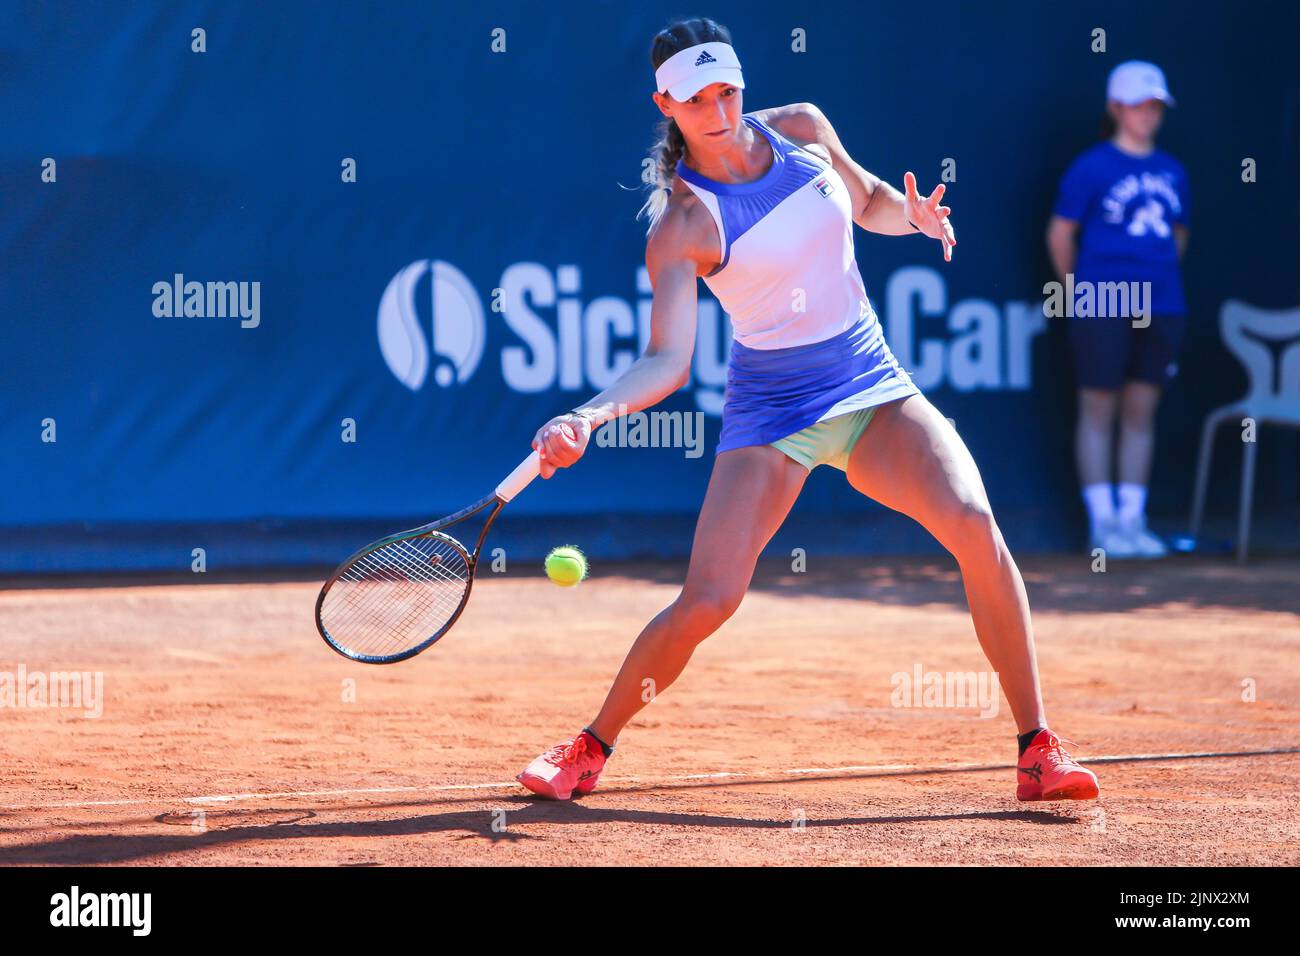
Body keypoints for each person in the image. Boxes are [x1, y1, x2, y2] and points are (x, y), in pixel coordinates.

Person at [517, 17, 1099, 804]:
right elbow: (666, 361)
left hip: (871, 385)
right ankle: (590, 746)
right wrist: (588, 416)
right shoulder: (683, 226)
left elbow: (869, 203)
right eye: (698, 100)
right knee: (710, 599)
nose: (719, 111)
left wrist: (914, 216)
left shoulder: (803, 129)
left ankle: (1037, 749)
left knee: (973, 524)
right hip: (771, 412)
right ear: (666, 102)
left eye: (728, 91)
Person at [1047, 60, 1190, 557]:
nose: (1147, 113)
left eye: (1154, 105)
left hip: (1162, 305)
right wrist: (1076, 295)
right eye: (1137, 104)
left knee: (1140, 410)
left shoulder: (1173, 171)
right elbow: (1061, 233)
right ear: (1116, 108)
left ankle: (1132, 523)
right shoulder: (1091, 167)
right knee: (1098, 407)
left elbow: (1178, 237)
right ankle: (1103, 527)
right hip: (1101, 303)